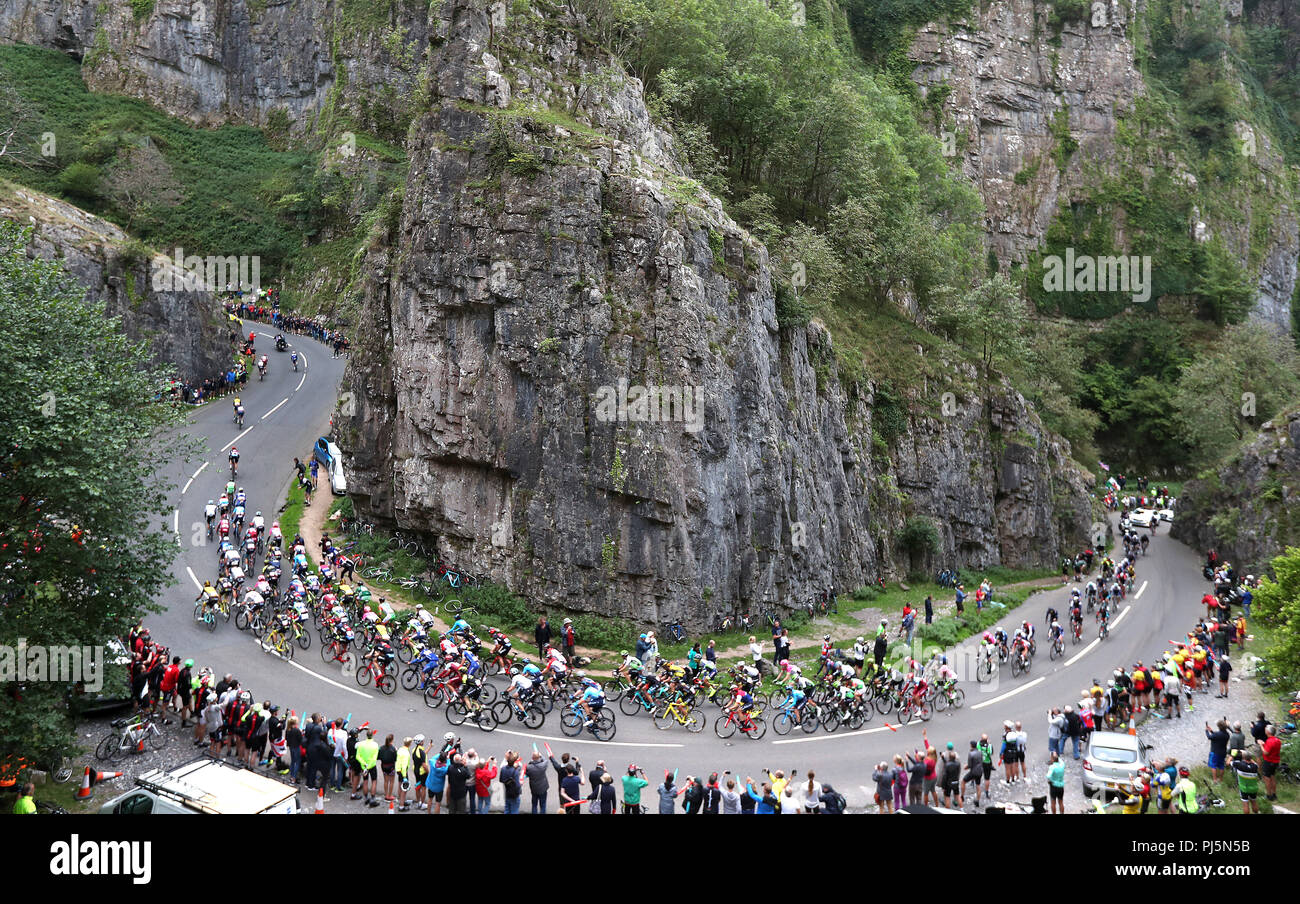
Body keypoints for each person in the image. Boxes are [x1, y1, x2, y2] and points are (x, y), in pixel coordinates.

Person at [1229, 749, 1260, 814]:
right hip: (1254, 788)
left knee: (1245, 804)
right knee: (1254, 802)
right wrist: (1249, 757)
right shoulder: (1255, 766)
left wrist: (1232, 755)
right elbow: (1254, 762)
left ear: (1243, 757)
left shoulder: (1239, 765)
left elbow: (1228, 762)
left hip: (1244, 788)